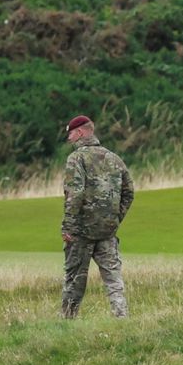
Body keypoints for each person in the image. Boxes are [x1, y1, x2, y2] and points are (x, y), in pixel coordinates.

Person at [60, 116, 136, 318]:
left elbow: (74, 194)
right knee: (113, 279)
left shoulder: (76, 159)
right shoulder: (114, 158)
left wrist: (68, 227)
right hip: (107, 231)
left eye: (71, 133)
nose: (69, 137)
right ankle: (121, 317)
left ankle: (67, 321)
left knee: (75, 278)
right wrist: (114, 218)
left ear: (81, 132)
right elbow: (129, 192)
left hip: (81, 232)